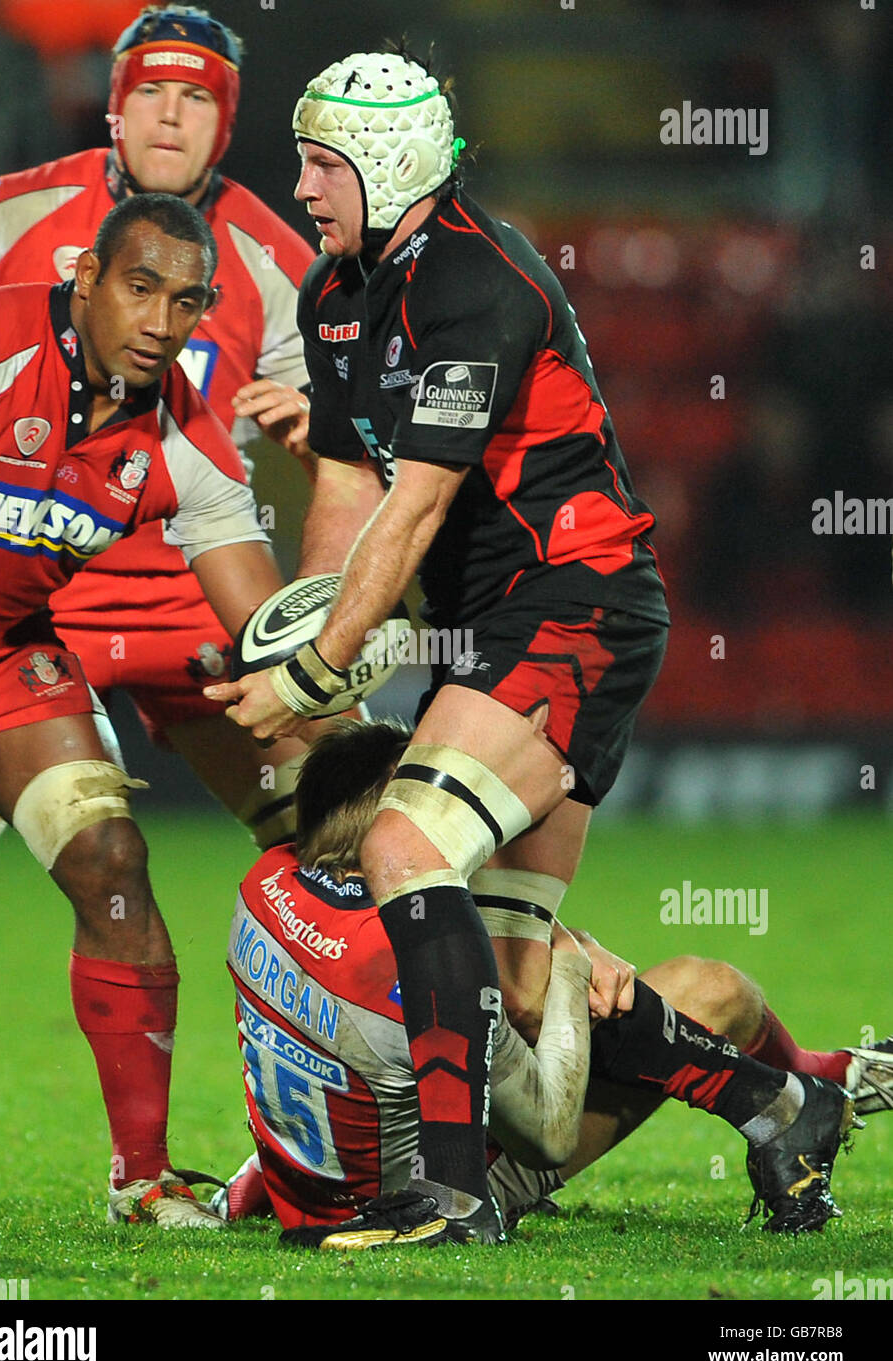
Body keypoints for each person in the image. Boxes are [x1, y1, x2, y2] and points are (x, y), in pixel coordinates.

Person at [204, 45, 856, 1242]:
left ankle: (451, 1201)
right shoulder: (335, 292)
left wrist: (316, 666)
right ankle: (782, 1102)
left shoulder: (475, 280)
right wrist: (315, 627)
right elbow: (354, 482)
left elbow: (422, 503)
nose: (298, 189)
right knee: (510, 996)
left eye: (317, 166)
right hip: (498, 630)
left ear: (389, 163)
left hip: (576, 606)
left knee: (403, 847)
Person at [0, 192, 305, 1228]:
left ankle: (142, 1182)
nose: (159, 320)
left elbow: (255, 615)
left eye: (185, 302)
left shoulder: (181, 437)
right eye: (139, 288)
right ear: (87, 279)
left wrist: (316, 658)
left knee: (111, 864)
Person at [214, 719, 890, 1247]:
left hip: (308, 1190)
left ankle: (815, 1093)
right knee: (713, 994)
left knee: (622, 983)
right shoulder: (412, 967)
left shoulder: (265, 883)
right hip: (423, 1197)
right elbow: (548, 1130)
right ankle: (808, 1097)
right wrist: (568, 954)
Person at [0, 3, 316, 918]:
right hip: (24, 601)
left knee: (348, 835)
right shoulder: (7, 214)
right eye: (149, 91)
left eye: (196, 97)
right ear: (115, 107)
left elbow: (360, 462)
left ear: (225, 122)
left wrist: (322, 432)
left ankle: (374, 1048)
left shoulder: (281, 263)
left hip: (190, 603)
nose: (169, 116)